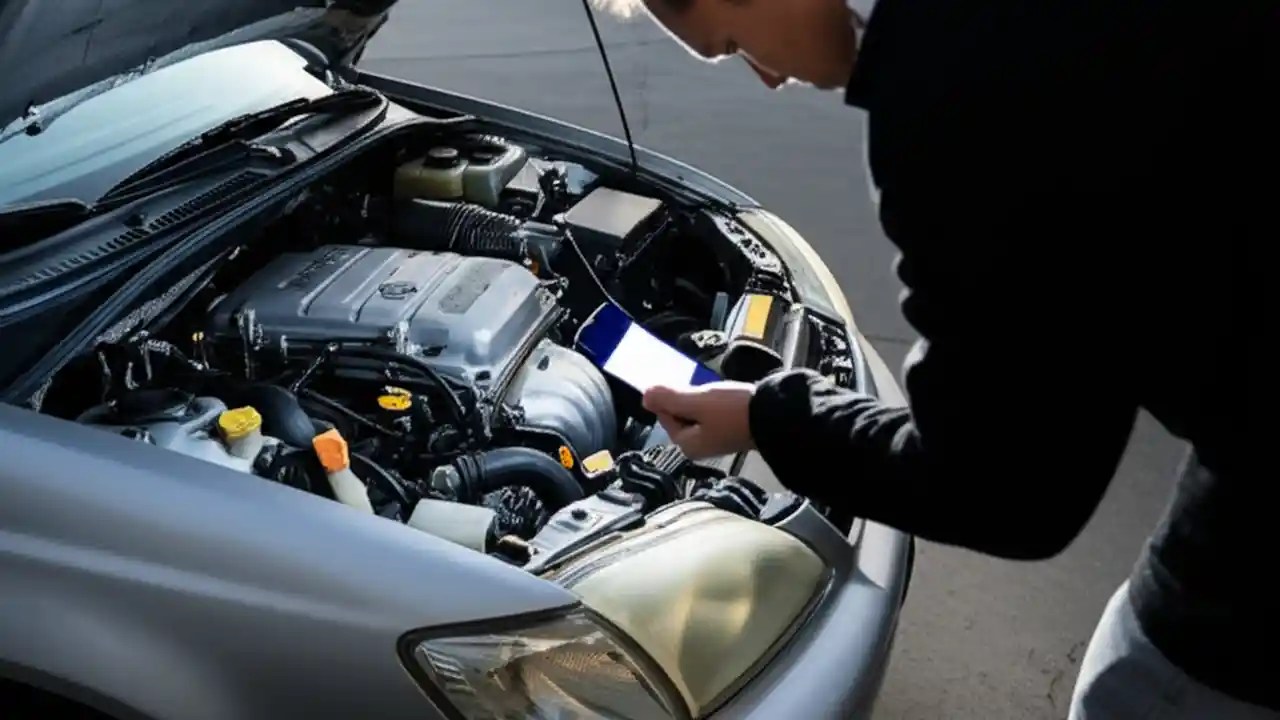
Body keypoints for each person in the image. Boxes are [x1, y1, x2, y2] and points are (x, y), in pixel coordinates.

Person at [593, 0, 1271, 717]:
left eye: (731, 44)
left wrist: (769, 417)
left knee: (1135, 692)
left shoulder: (957, 88)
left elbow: (1013, 486)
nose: (765, 77)